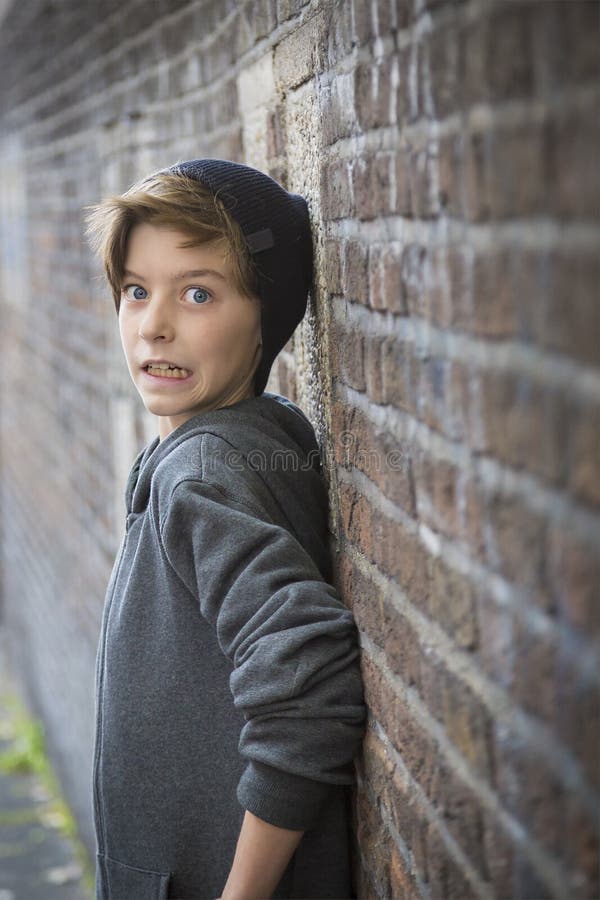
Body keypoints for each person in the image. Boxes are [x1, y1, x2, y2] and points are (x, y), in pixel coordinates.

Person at [86, 158, 366, 900]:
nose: (154, 324)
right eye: (136, 290)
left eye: (198, 293)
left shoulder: (201, 473)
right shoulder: (251, 440)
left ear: (263, 319)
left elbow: (309, 684)